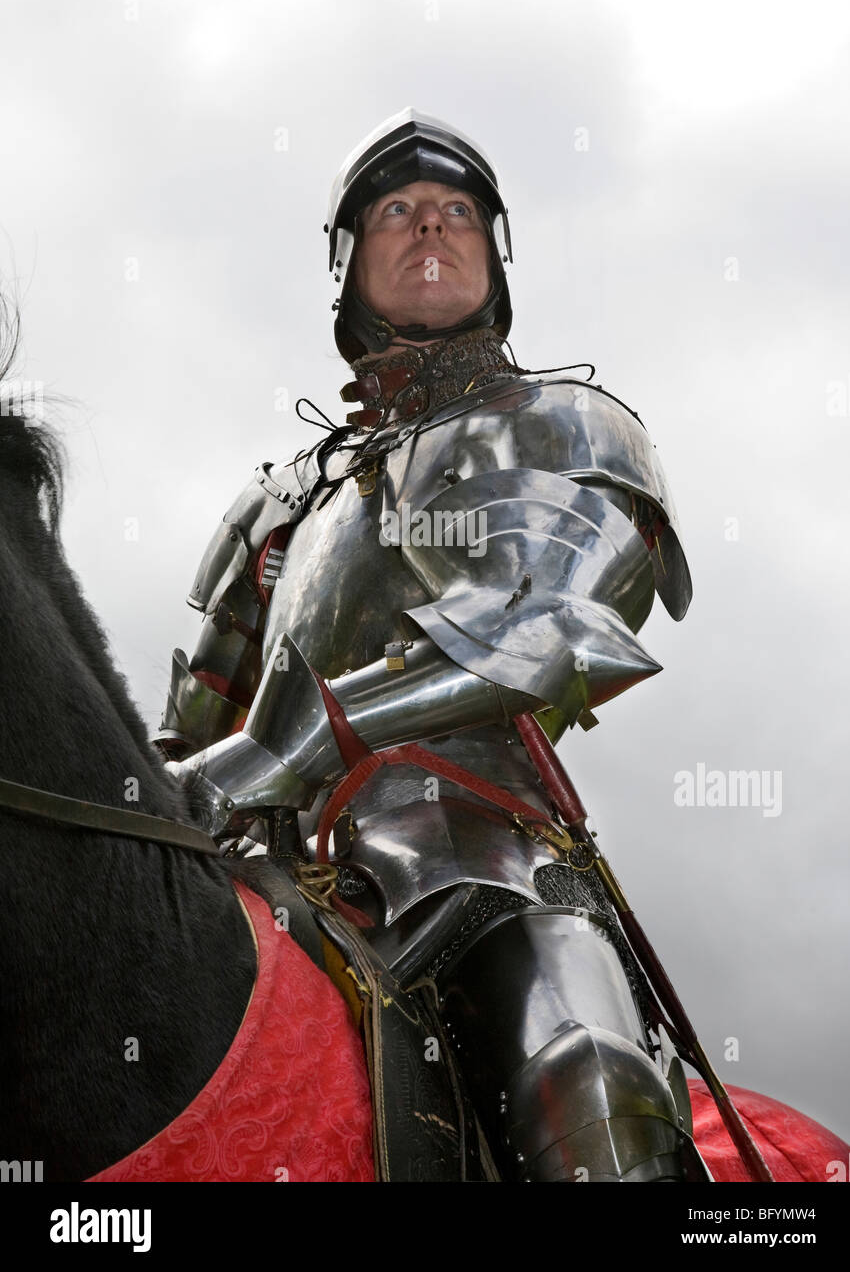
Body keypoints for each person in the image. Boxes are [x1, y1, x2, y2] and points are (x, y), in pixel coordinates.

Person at [156, 108, 709, 1182]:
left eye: (458, 214)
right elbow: (178, 740)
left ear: (494, 262)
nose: (428, 230)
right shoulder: (271, 512)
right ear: (348, 266)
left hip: (482, 862)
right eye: (396, 213)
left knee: (587, 1078)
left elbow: (546, 628)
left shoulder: (561, 421)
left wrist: (288, 748)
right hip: (254, 878)